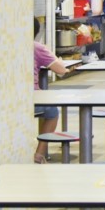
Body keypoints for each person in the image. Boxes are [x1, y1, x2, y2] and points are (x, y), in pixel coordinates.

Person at [32, 20, 73, 164]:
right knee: (52, 112)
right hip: (32, 99)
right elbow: (61, 70)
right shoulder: (36, 47)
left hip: (5, 99)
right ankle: (39, 153)